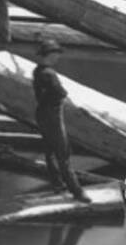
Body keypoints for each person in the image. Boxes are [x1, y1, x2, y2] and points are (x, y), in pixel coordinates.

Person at [31, 39, 89, 202]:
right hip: (52, 116)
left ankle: (58, 185)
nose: (58, 58)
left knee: (50, 153)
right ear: (49, 55)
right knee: (63, 154)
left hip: (42, 114)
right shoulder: (49, 74)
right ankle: (77, 193)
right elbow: (61, 93)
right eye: (56, 54)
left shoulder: (37, 71)